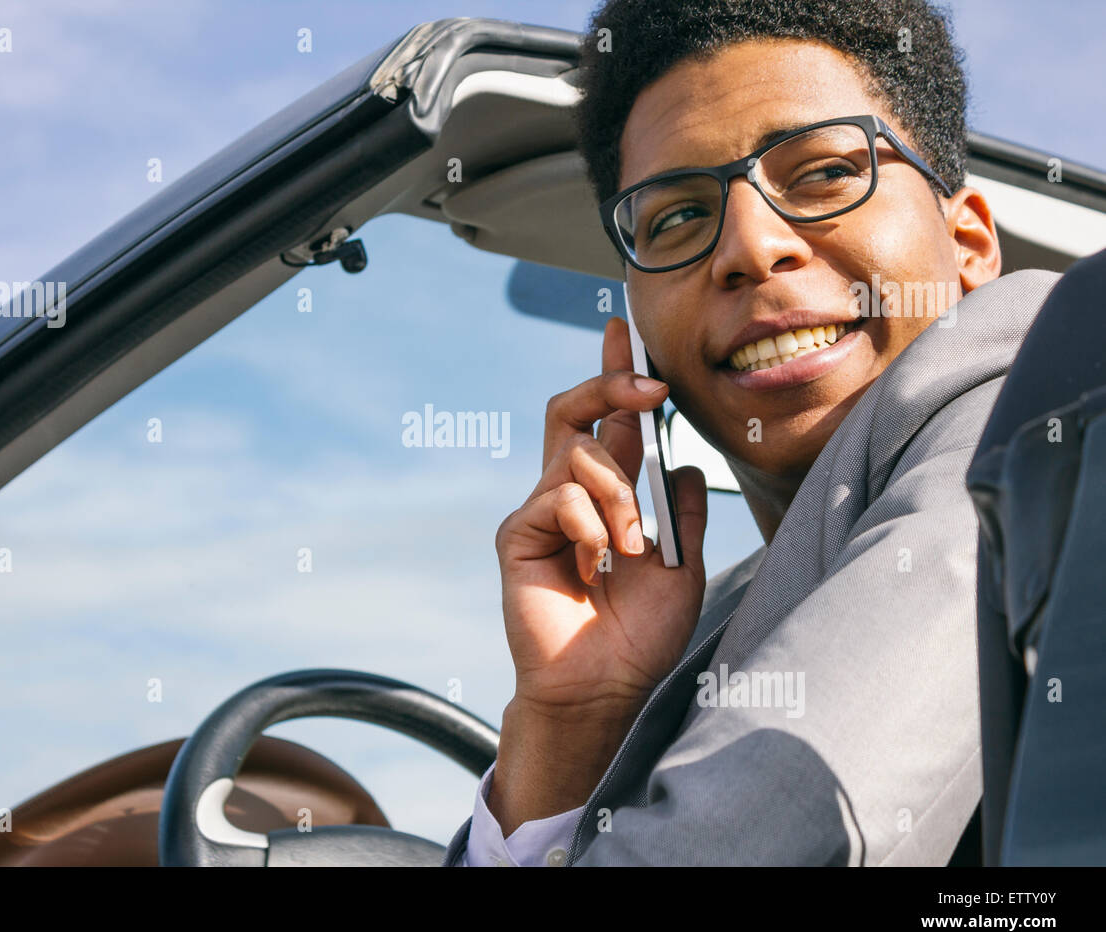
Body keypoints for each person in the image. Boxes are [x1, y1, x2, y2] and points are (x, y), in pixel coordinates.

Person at [445, 0, 1061, 865]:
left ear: (969, 247)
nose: (749, 245)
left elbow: (766, 825)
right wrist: (571, 721)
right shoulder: (729, 613)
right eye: (679, 217)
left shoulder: (1032, 435)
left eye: (823, 172)